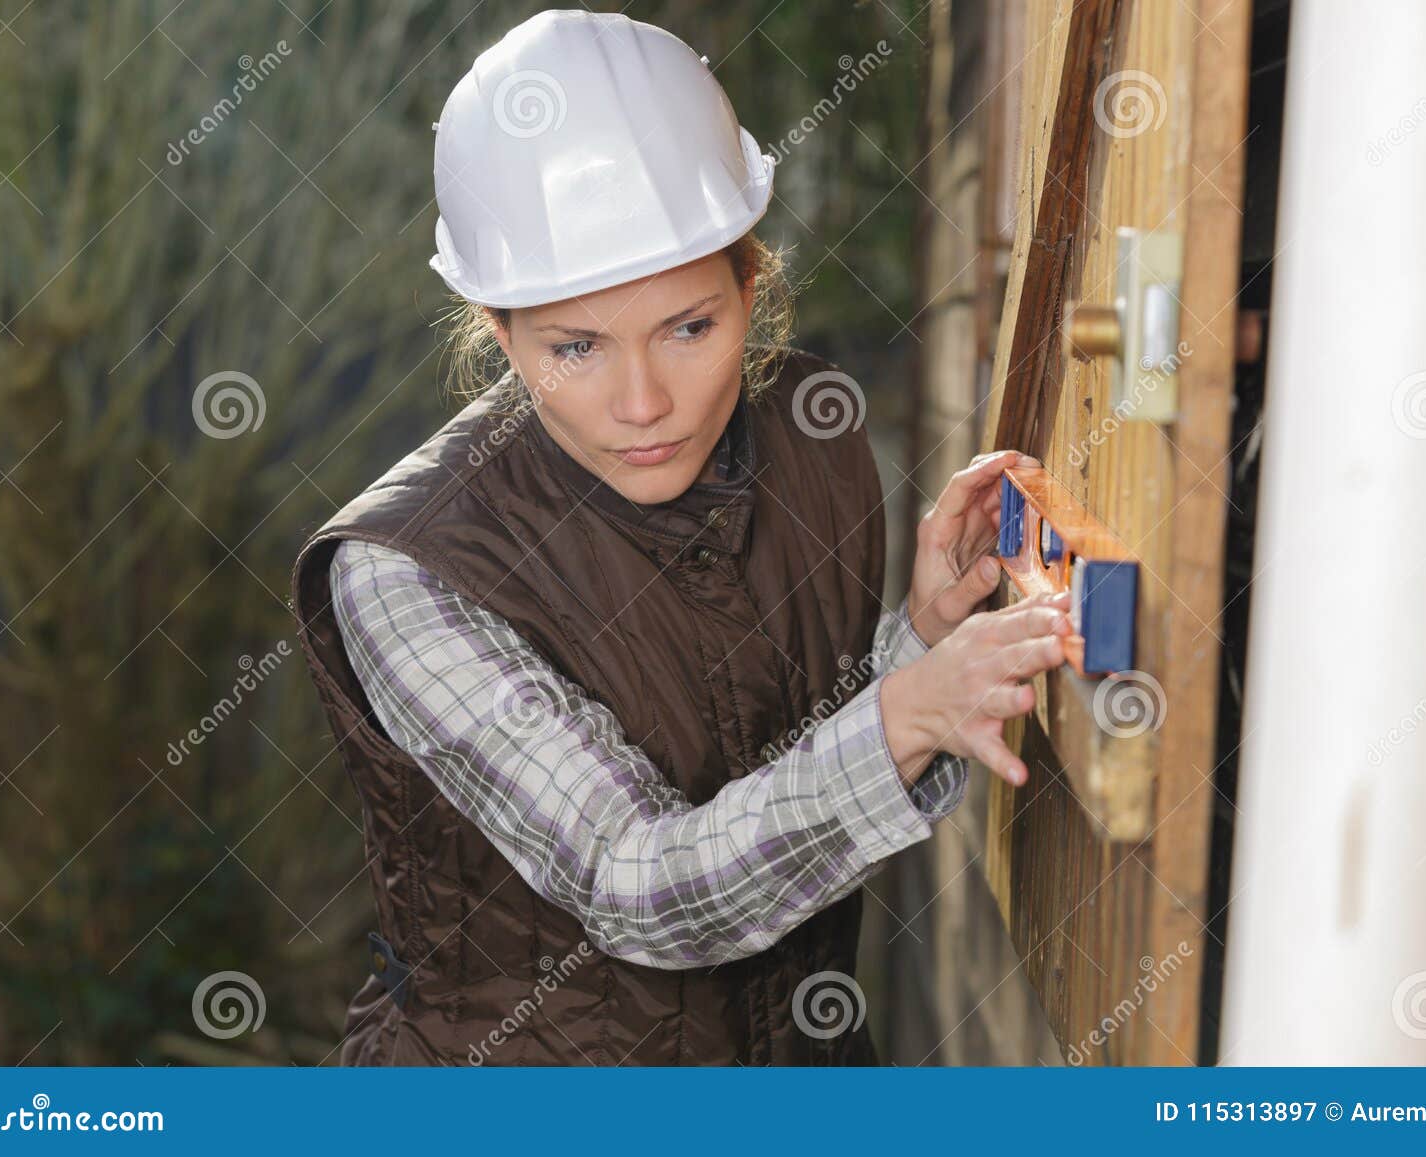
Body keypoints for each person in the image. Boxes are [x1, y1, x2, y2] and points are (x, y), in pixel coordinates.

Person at [289, 8, 1071, 1066]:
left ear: (751, 284)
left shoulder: (812, 437)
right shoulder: (403, 570)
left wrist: (923, 640)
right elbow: (636, 886)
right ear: (498, 329)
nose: (644, 402)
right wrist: (906, 713)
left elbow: (789, 781)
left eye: (690, 327)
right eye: (576, 348)